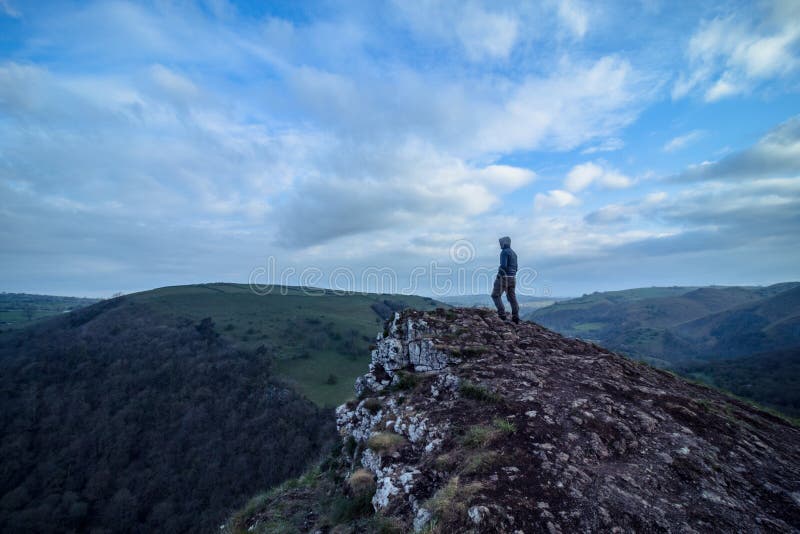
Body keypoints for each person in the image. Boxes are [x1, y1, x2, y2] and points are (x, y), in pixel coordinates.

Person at [491, 236, 519, 323]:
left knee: (495, 295)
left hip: (504, 277)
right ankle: (515, 317)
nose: (500, 244)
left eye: (500, 242)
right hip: (512, 278)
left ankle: (502, 315)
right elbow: (516, 267)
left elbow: (503, 266)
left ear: (504, 243)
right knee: (511, 297)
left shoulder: (504, 252)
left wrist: (499, 275)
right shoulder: (514, 253)